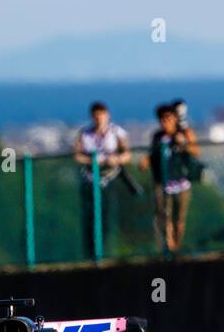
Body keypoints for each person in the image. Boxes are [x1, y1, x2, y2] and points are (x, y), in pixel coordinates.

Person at [73, 102, 135, 258]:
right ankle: (91, 253)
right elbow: (77, 155)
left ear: (107, 115)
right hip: (89, 179)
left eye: (102, 114)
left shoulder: (116, 132)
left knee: (107, 217)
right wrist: (92, 161)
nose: (99, 118)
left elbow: (127, 154)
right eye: (96, 115)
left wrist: (115, 159)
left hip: (110, 179)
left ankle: (108, 252)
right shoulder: (85, 133)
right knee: (90, 218)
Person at [140, 104, 201, 254]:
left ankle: (176, 247)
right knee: (163, 216)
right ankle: (169, 247)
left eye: (168, 118)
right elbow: (152, 154)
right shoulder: (158, 137)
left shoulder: (184, 133)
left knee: (179, 219)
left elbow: (195, 152)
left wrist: (184, 144)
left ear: (174, 118)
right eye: (162, 119)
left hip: (181, 182)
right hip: (162, 182)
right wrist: (146, 162)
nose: (165, 122)